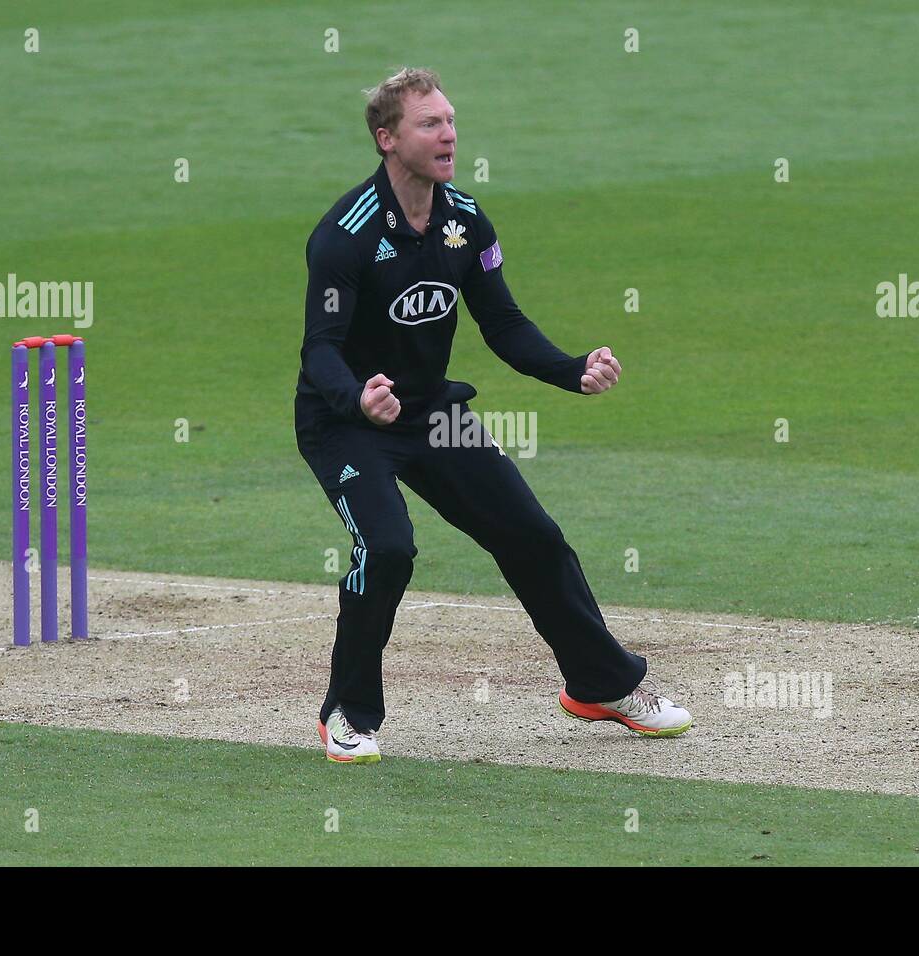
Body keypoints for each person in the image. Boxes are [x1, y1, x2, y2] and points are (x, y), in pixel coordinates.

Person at [295, 67, 692, 764]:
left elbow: (503, 325)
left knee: (532, 536)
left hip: (431, 417)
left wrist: (572, 370)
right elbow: (321, 350)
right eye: (429, 123)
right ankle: (347, 714)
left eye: (450, 120)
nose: (448, 133)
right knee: (388, 550)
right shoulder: (345, 235)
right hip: (348, 424)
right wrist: (358, 397)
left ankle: (600, 686)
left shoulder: (464, 220)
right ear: (387, 139)